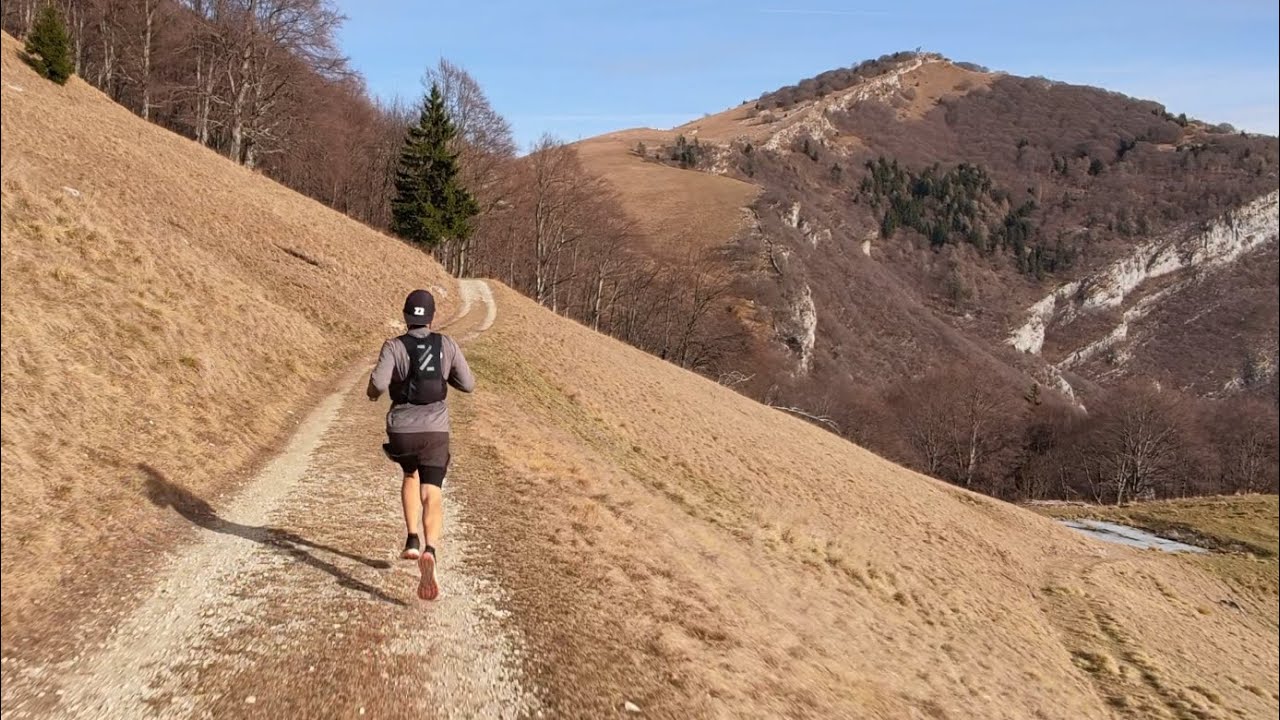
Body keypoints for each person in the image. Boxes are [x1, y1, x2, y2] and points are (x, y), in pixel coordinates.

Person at [367, 289, 475, 600]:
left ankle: (412, 539)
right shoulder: (447, 344)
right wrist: (447, 378)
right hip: (436, 429)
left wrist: (372, 395)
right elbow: (468, 384)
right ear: (432, 315)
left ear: (405, 315)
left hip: (402, 428)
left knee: (410, 475)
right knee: (433, 491)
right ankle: (431, 548)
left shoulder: (394, 346)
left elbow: (378, 384)